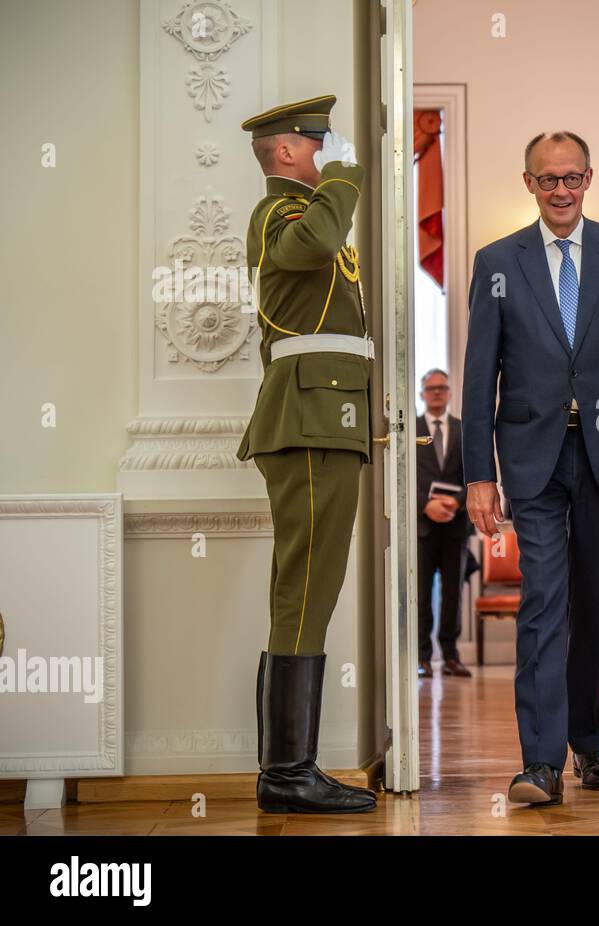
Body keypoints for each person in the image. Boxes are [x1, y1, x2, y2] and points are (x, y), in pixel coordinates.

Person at [462, 131, 599, 806]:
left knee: (597, 608)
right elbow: (478, 378)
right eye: (547, 179)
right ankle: (539, 763)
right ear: (529, 183)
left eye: (572, 178)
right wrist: (478, 473)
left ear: (589, 179)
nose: (560, 190)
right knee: (544, 606)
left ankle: (590, 743)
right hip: (532, 462)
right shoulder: (497, 261)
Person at [237, 95, 376, 813]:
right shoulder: (282, 214)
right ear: (289, 152)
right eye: (319, 146)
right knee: (305, 592)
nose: (328, 157)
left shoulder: (303, 208)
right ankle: (287, 773)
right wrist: (347, 173)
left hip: (328, 416)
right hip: (309, 418)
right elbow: (316, 243)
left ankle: (286, 769)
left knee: (309, 590)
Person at [415, 368, 471, 679]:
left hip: (456, 525)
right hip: (423, 527)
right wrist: (426, 504)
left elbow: (476, 472)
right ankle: (422, 657)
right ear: (422, 394)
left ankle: (450, 655)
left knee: (453, 595)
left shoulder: (464, 430)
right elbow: (402, 475)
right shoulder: (410, 429)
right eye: (431, 388)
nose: (437, 392)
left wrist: (458, 500)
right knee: (421, 594)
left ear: (449, 393)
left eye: (443, 388)